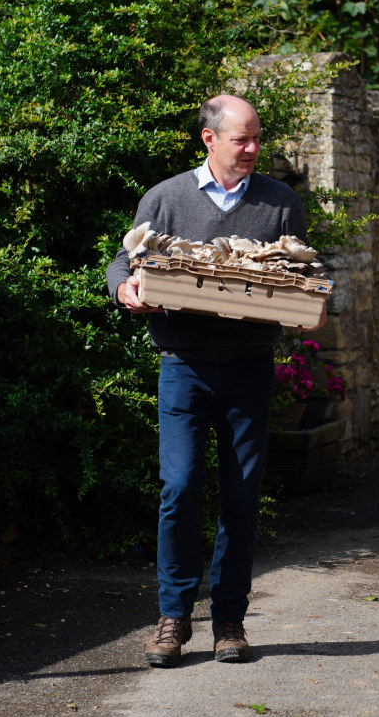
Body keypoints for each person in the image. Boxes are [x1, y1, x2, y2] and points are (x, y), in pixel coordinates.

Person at [106, 93, 314, 667]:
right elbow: (124, 263)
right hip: (184, 367)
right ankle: (173, 617)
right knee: (178, 490)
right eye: (241, 139)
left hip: (249, 368)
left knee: (242, 499)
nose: (252, 149)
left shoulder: (280, 203)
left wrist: (303, 293)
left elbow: (303, 272)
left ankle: (229, 621)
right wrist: (124, 289)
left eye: (255, 139)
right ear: (209, 139)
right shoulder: (166, 198)